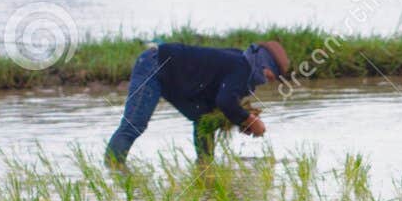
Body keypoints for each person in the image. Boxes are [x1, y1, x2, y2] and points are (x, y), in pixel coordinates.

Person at [105, 39, 290, 166]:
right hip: (154, 65)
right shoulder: (241, 68)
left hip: (171, 76)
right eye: (272, 75)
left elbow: (218, 108)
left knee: (205, 119)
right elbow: (225, 101)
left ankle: (204, 167)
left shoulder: (241, 67)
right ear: (264, 65)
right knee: (133, 125)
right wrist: (250, 120)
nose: (270, 81)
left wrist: (240, 120)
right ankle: (111, 171)